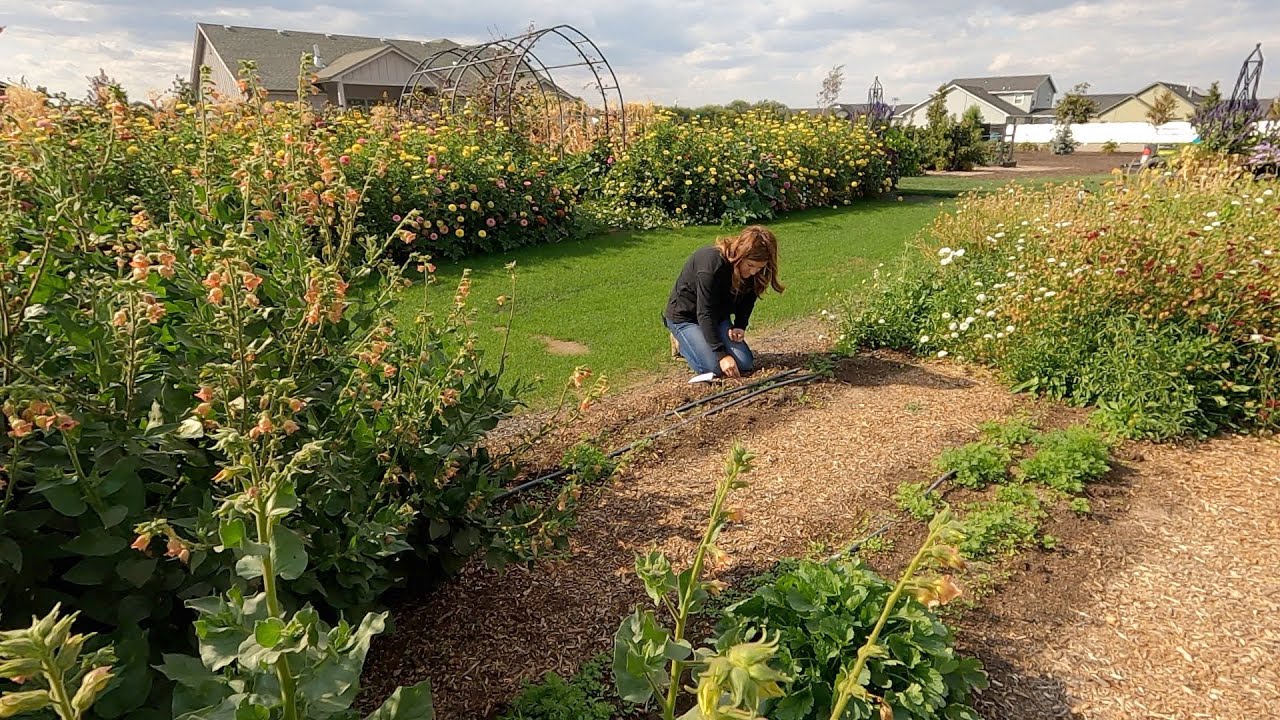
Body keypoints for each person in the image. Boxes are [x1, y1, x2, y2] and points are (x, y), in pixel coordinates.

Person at [663, 225, 784, 379]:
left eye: (759, 267)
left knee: (745, 363)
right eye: (750, 265)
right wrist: (722, 355)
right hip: (686, 317)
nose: (753, 272)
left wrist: (740, 324)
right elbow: (704, 312)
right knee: (712, 368)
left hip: (718, 317)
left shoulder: (754, 272)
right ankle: (681, 342)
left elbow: (748, 298)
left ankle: (704, 341)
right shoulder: (711, 264)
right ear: (739, 254)